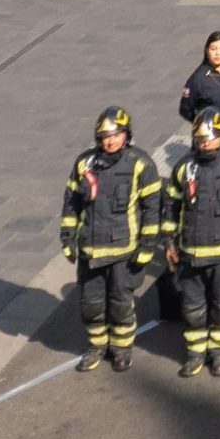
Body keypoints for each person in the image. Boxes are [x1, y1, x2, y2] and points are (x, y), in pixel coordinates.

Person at [58, 107, 162, 374]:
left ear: (126, 135)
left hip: (123, 250)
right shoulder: (84, 164)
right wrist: (68, 239)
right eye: (104, 135)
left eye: (115, 134)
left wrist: (147, 247)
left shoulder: (141, 164)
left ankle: (121, 350)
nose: (110, 140)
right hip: (90, 251)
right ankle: (97, 347)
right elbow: (71, 204)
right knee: (90, 305)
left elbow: (152, 209)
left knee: (120, 304)